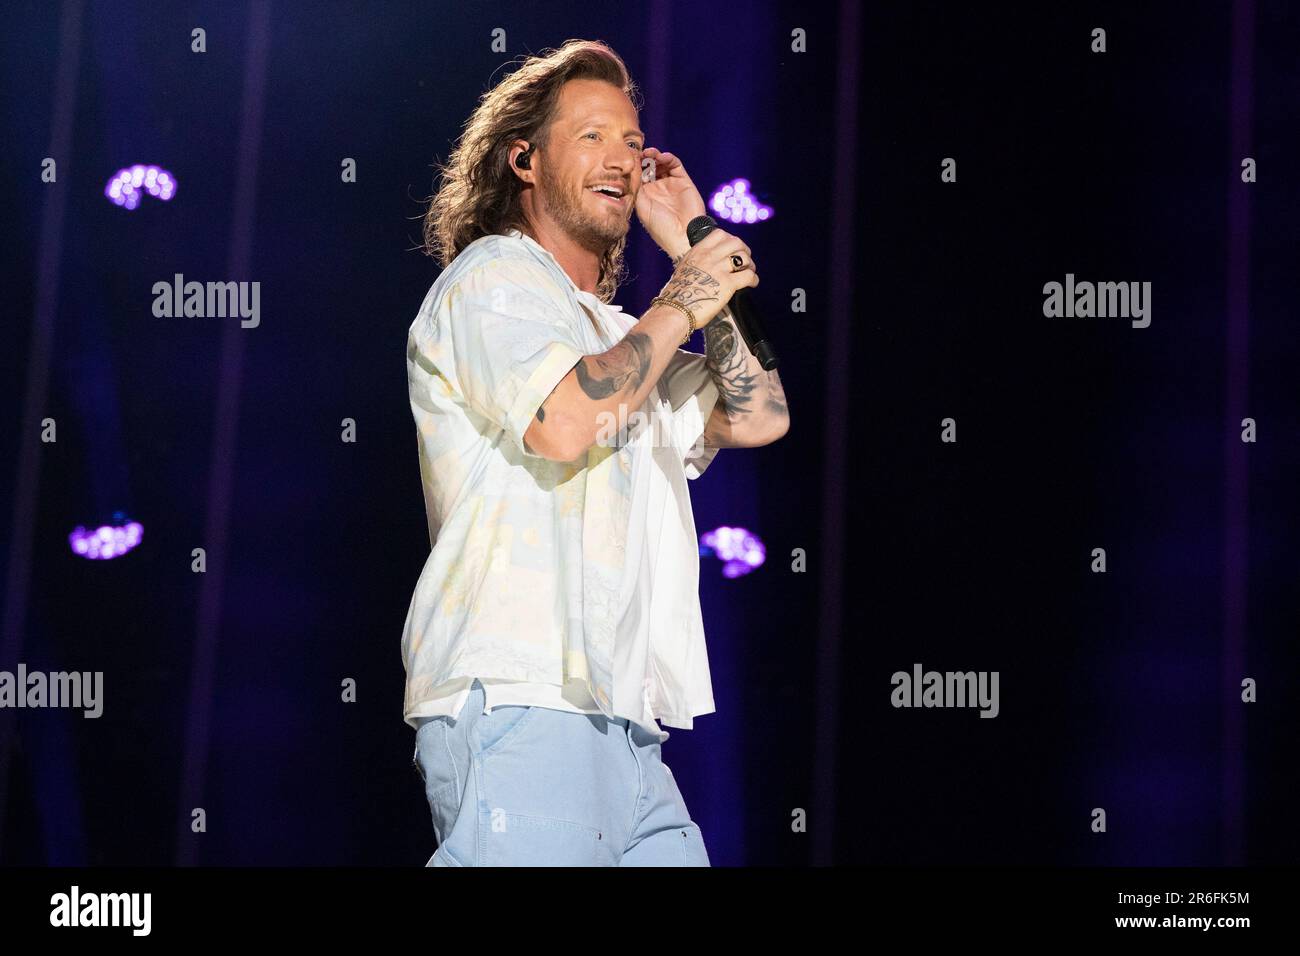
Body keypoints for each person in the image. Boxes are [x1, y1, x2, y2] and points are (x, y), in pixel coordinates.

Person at [403, 39, 789, 866]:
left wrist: (690, 242)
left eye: (631, 140)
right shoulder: (490, 281)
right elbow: (565, 418)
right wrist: (688, 294)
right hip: (519, 701)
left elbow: (760, 415)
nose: (622, 157)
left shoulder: (625, 337)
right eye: (591, 136)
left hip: (629, 729)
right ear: (524, 160)